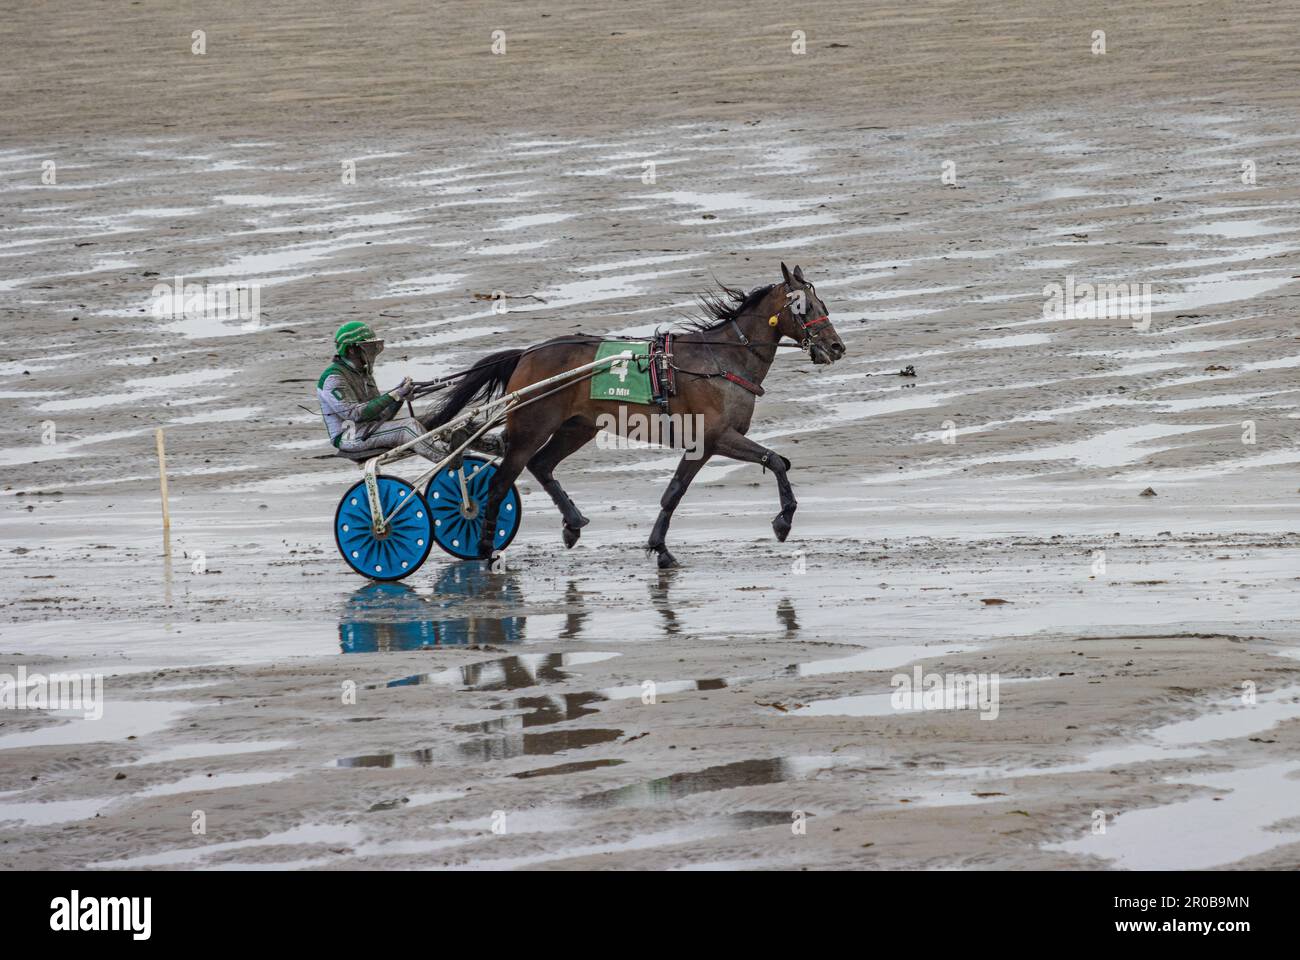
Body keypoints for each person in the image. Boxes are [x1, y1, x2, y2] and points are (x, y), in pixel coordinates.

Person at [317, 321, 500, 461]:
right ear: (350, 350)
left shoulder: (362, 373)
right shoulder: (334, 379)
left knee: (440, 420)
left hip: (370, 429)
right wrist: (393, 394)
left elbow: (382, 417)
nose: (372, 351)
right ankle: (446, 457)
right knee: (407, 426)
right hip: (350, 437)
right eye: (367, 347)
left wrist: (399, 398)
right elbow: (354, 414)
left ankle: (496, 445)